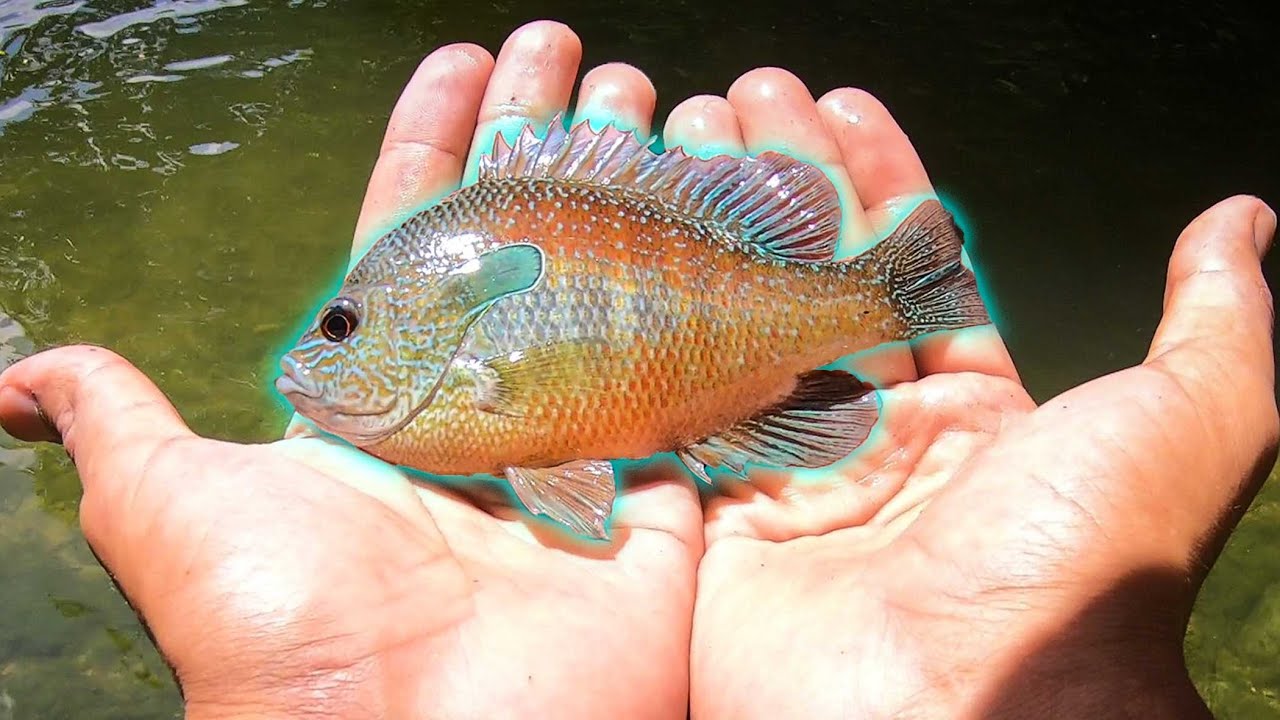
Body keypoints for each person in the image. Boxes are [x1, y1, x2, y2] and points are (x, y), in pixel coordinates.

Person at [0, 19, 1275, 720]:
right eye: (335, 326)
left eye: (338, 329)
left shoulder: (458, 383)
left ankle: (891, 286)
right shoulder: (447, 385)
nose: (310, 361)